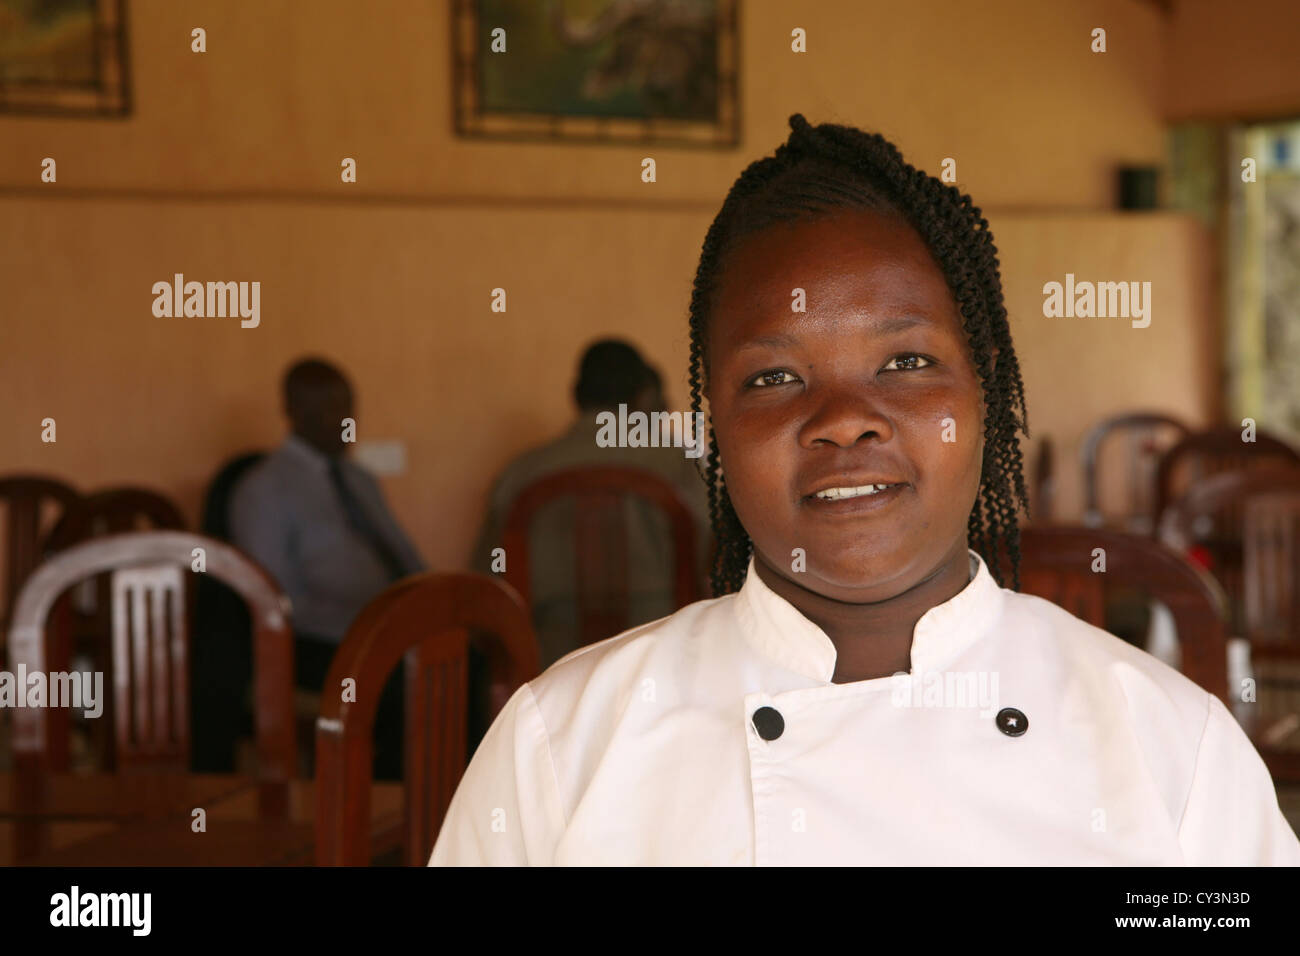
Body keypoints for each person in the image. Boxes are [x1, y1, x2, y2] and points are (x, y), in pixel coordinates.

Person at [429, 114, 1300, 866]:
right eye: (773, 378)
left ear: (987, 391)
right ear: (714, 426)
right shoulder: (558, 750)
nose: (845, 420)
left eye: (907, 362)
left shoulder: (1170, 752)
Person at [227, 358, 425, 780]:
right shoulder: (263, 490)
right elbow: (273, 601)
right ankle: (391, 813)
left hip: (388, 624)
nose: (344, 420)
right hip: (316, 641)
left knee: (472, 663)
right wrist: (361, 624)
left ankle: (460, 807)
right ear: (294, 412)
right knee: (402, 685)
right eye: (328, 409)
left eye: (347, 407)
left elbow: (403, 554)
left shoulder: (360, 479)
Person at [471, 339, 711, 670]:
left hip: (548, 667)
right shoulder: (683, 465)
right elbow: (722, 565)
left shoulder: (520, 474)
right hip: (664, 661)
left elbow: (486, 582)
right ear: (643, 395)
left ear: (576, 396)